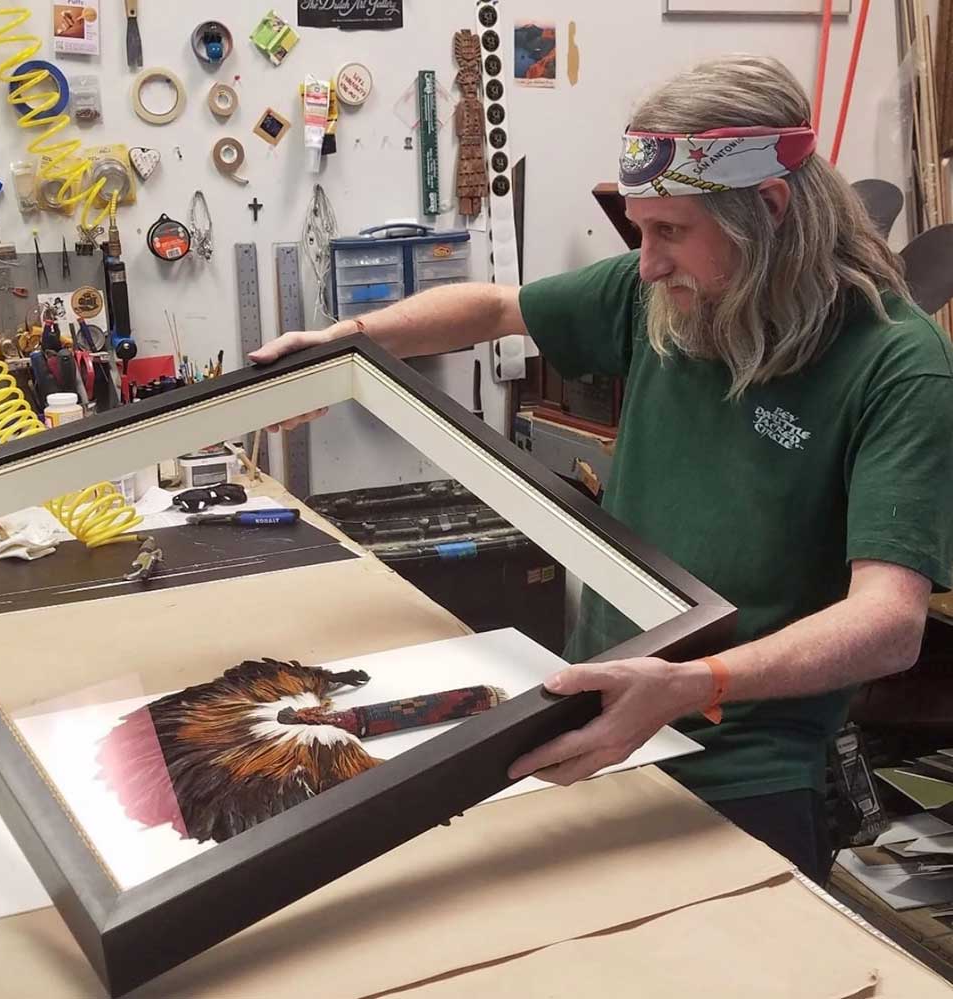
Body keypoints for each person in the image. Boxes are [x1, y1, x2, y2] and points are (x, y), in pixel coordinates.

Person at [251, 55, 953, 883]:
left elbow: (891, 622)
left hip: (742, 767)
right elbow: (492, 306)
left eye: (671, 231)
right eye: (640, 227)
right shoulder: (660, 299)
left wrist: (696, 682)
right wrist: (346, 345)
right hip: (604, 721)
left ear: (769, 208)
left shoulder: (898, 366)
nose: (646, 261)